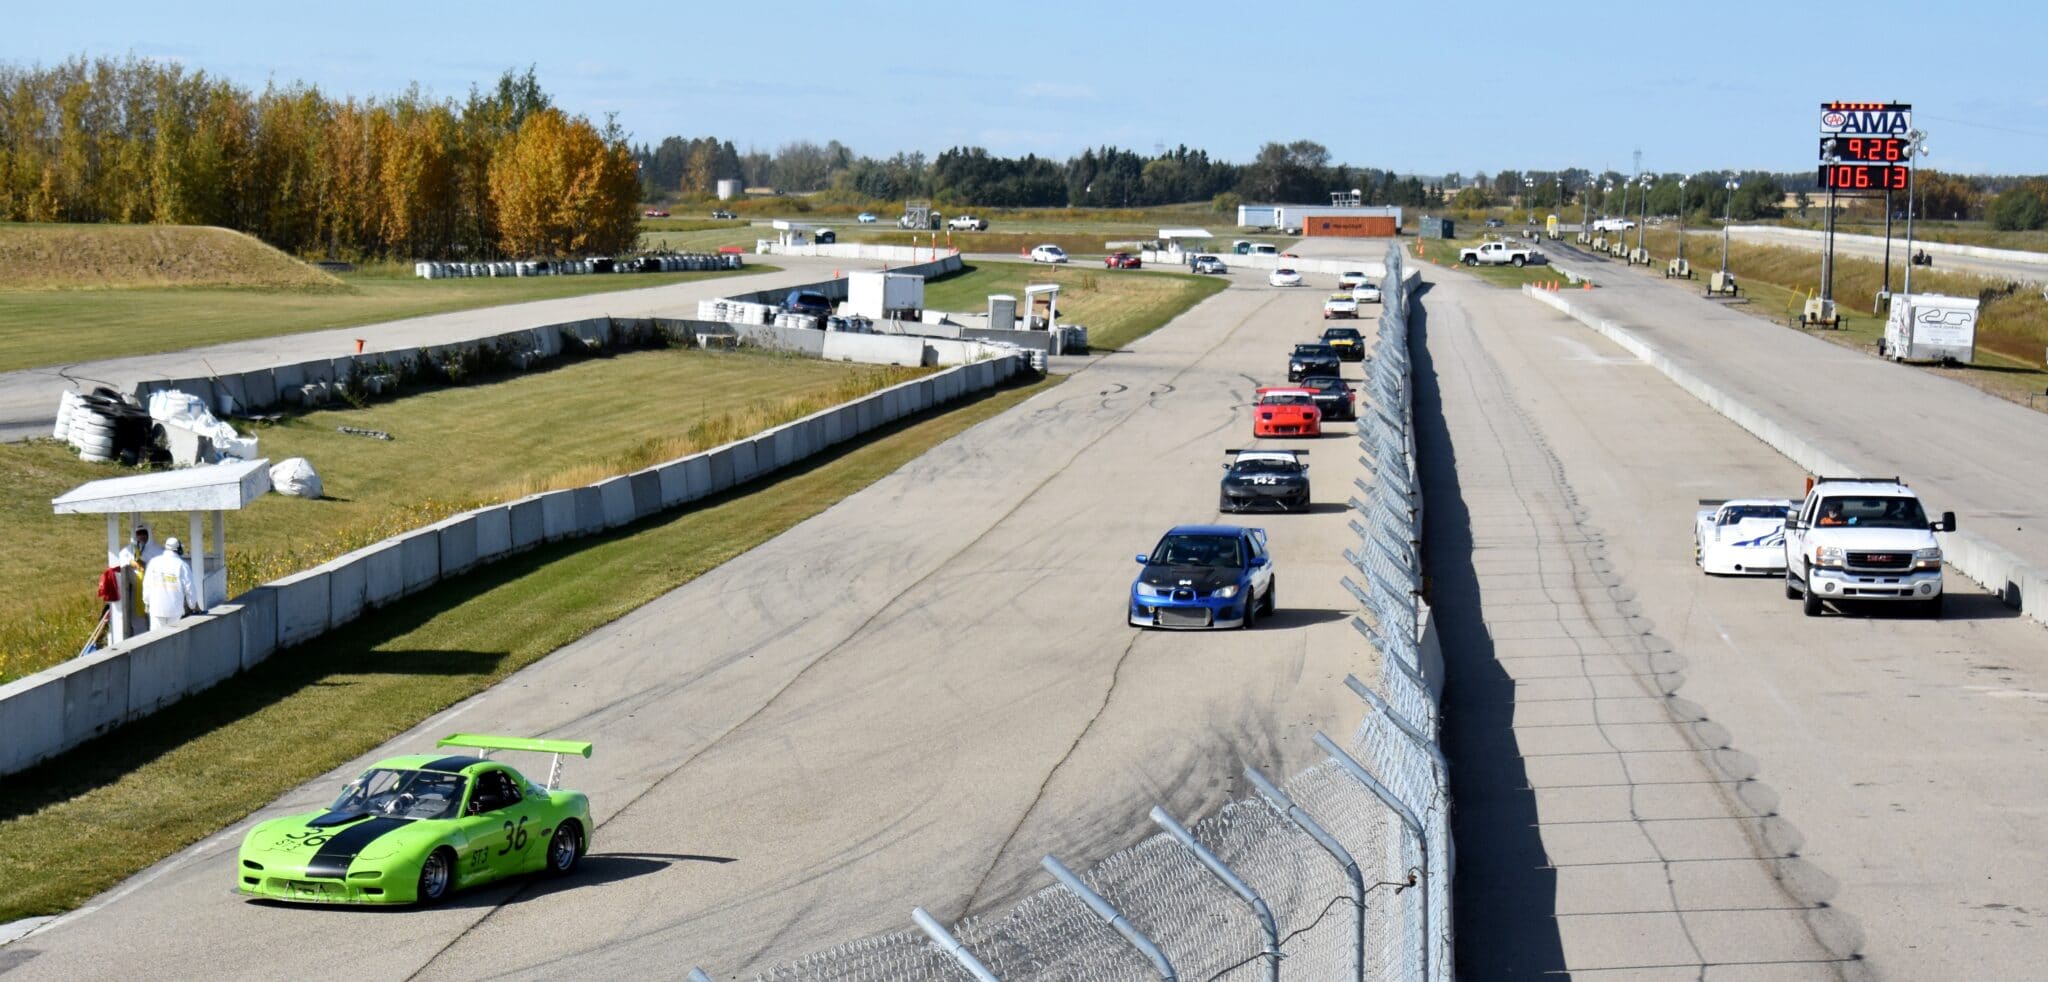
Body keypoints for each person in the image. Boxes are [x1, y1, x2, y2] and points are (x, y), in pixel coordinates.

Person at [141, 537, 201, 630]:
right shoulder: (182, 565)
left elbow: (147, 585)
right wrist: (193, 606)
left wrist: (147, 602)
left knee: (156, 637)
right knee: (174, 636)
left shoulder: (154, 562)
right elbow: (189, 588)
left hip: (156, 608)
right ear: (178, 549)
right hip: (174, 610)